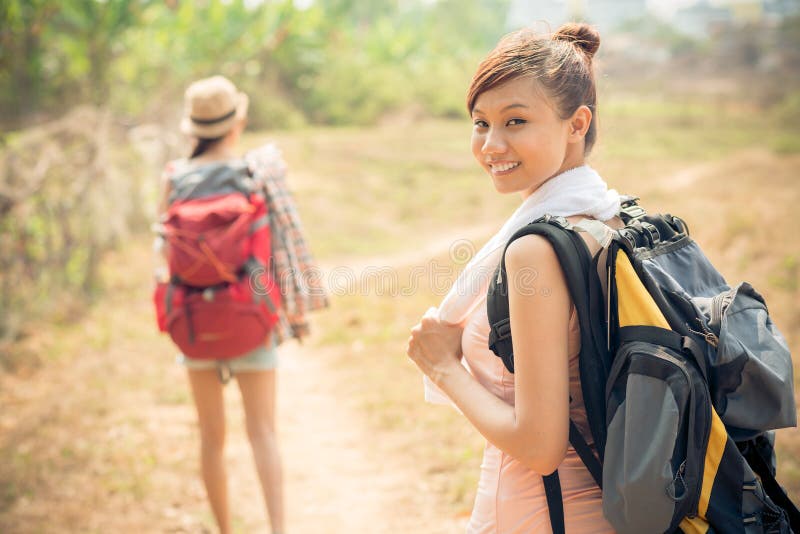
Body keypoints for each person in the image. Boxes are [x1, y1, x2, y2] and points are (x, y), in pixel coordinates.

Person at [406, 24, 622, 533]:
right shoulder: (608, 217)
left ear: (577, 124)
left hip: (539, 512)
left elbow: (539, 446)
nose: (491, 144)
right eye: (481, 123)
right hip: (608, 505)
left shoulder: (534, 252)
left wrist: (442, 366)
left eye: (515, 121)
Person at [157, 75, 327, 534]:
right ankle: (277, 529)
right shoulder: (256, 174)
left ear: (193, 128)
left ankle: (224, 530)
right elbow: (277, 251)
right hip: (251, 317)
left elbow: (163, 257)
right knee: (263, 432)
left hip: (194, 323)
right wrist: (293, 311)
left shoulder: (173, 177)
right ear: (238, 123)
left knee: (211, 438)